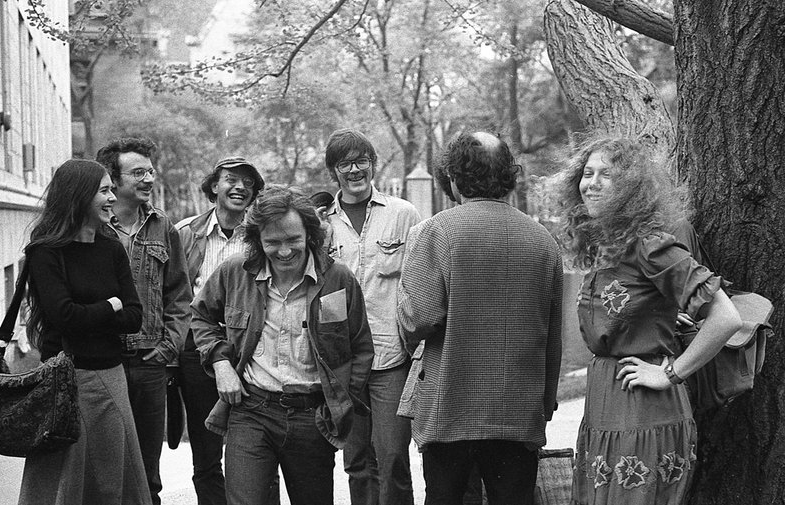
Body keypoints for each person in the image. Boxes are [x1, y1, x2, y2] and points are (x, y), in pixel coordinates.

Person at [555, 135, 742, 505]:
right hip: (605, 408)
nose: (591, 183)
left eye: (605, 174)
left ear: (630, 187)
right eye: (587, 173)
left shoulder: (651, 246)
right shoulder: (606, 248)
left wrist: (670, 373)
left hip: (645, 412)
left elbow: (726, 316)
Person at [397, 131, 563, 505]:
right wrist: (546, 401)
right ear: (509, 175)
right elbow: (553, 336)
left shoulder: (436, 231)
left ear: (453, 178)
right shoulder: (543, 241)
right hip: (518, 413)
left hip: (449, 407)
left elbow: (418, 318)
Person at [191, 185, 374, 505]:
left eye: (293, 240)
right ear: (257, 240)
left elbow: (360, 347)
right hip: (251, 411)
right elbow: (201, 317)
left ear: (310, 234)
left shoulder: (337, 279)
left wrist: (340, 400)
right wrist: (221, 365)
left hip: (311, 417)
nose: (285, 251)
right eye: (273, 242)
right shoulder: (236, 273)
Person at [18, 159, 150, 504]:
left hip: (110, 376)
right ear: (79, 196)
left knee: (113, 483)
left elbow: (135, 316)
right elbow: (63, 317)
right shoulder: (46, 251)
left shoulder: (111, 248)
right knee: (61, 484)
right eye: (104, 190)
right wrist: (110, 306)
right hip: (63, 381)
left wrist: (94, 313)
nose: (111, 197)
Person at [322, 128, 420, 505]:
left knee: (394, 455)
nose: (354, 170)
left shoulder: (403, 214)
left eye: (361, 161)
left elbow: (419, 280)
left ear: (373, 165)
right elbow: (322, 291)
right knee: (356, 459)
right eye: (344, 164)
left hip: (391, 357)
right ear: (334, 171)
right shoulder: (321, 222)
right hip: (343, 361)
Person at [96, 137, 192, 505]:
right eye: (138, 172)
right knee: (107, 465)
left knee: (148, 471)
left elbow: (179, 294)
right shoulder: (94, 228)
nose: (149, 178)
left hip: (151, 362)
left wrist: (169, 345)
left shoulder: (162, 226)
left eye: (150, 171)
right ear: (113, 179)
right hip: (105, 362)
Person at [175, 156, 265, 505]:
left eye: (248, 182)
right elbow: (173, 296)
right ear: (215, 185)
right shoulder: (186, 233)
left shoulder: (261, 236)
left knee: (258, 443)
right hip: (197, 348)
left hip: (250, 349)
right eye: (231, 179)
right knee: (206, 448)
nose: (240, 187)